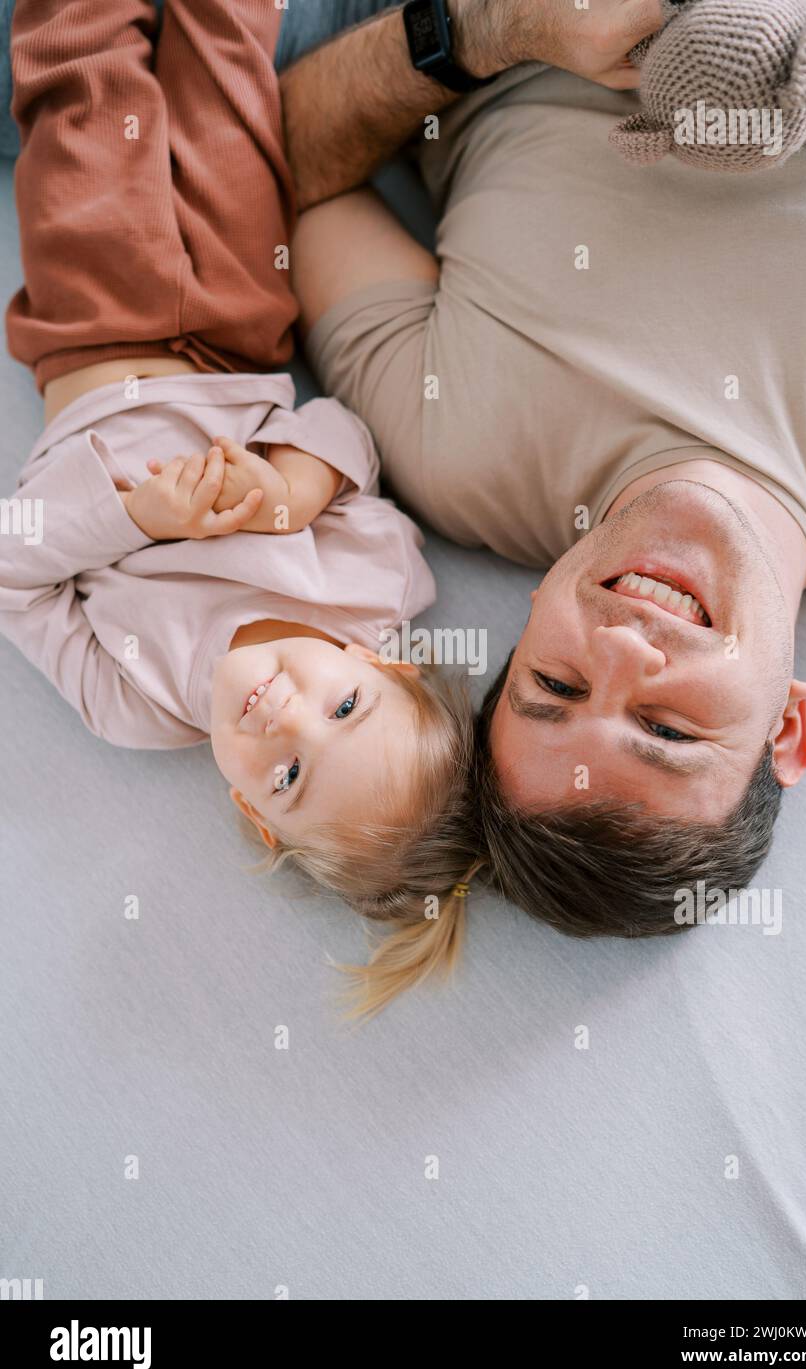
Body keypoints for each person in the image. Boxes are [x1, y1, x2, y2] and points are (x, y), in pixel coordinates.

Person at [275, 0, 806, 932]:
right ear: (785, 728)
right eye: (666, 730)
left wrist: (488, 28)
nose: (625, 645)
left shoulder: (461, 458)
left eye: (555, 686)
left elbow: (273, 165)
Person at [0, 0, 483, 1024]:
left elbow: (14, 568)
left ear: (253, 815)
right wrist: (291, 485)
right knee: (228, 76)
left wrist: (137, 520)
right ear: (381, 665)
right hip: (241, 326)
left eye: (292, 775)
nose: (285, 716)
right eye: (345, 706)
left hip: (96, 334)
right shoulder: (374, 591)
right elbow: (350, 440)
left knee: (83, 87)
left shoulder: (138, 703)